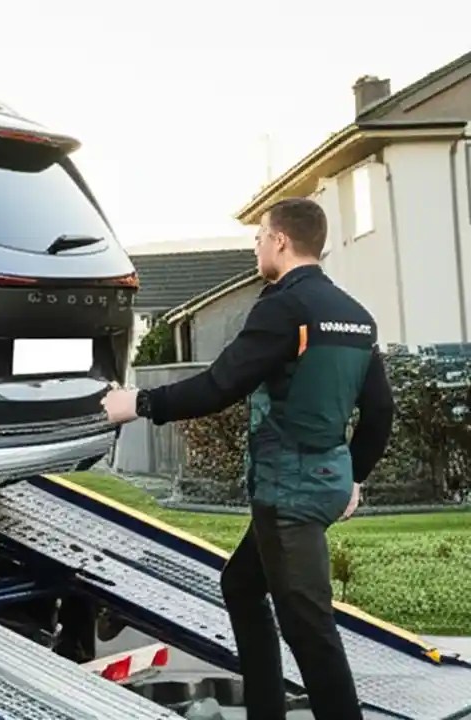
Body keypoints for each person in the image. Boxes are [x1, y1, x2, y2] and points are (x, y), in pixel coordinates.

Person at [100, 197, 394, 720]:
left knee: (309, 628)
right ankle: (265, 710)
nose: (256, 245)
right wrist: (355, 478)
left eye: (259, 236)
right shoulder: (355, 316)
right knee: (240, 584)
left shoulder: (285, 307)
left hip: (289, 491)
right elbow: (380, 413)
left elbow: (220, 384)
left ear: (281, 240)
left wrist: (139, 403)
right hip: (323, 481)